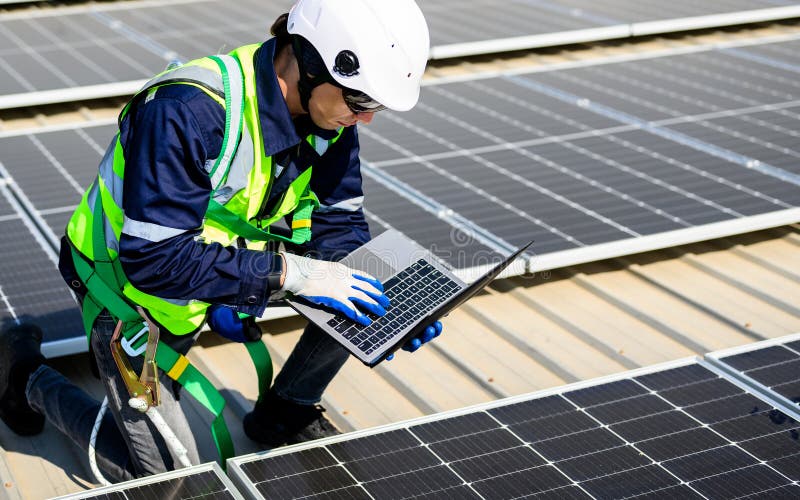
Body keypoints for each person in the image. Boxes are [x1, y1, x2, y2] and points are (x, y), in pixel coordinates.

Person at [0, 0, 442, 484]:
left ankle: (285, 411)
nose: (367, 119)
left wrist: (391, 309)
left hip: (202, 272)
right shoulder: (186, 111)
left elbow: (338, 228)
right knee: (164, 477)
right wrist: (289, 274)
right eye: (362, 102)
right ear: (312, 65)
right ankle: (23, 374)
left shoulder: (330, 120)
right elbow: (153, 260)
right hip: (123, 290)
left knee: (356, 287)